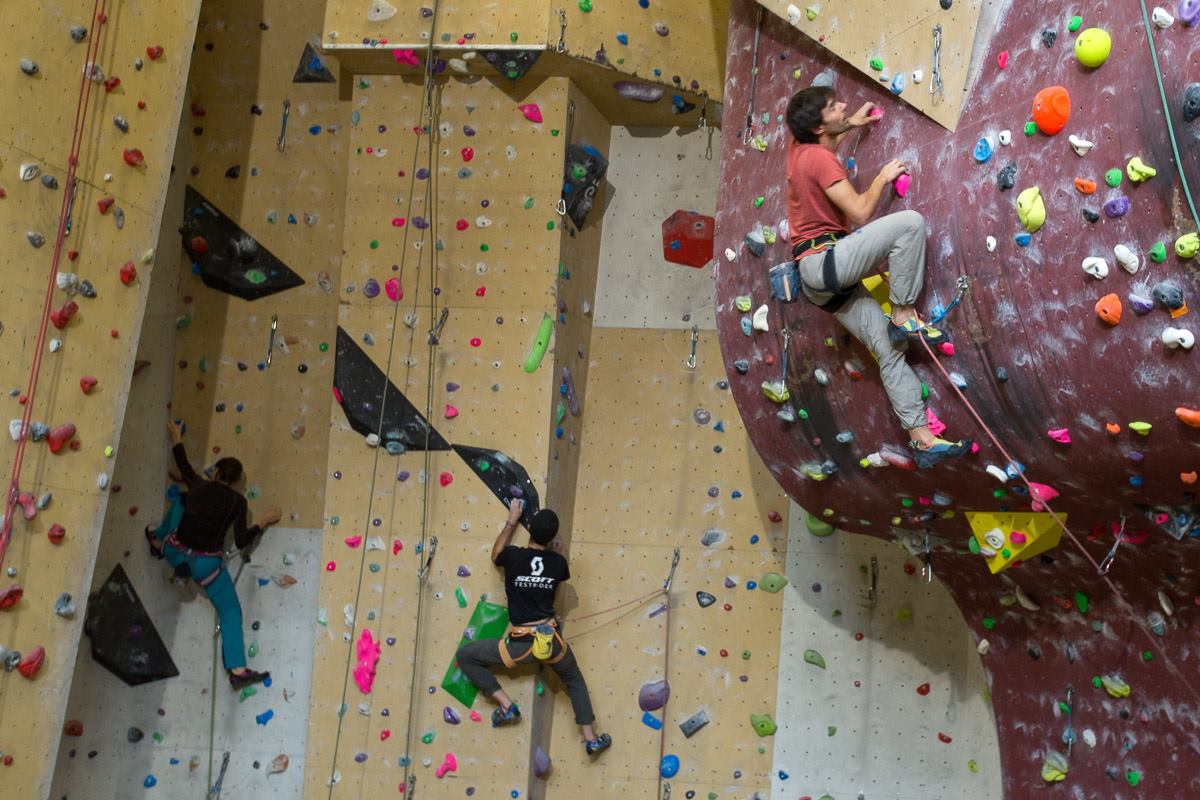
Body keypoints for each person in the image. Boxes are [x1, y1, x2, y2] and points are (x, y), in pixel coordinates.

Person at [784, 85, 973, 469]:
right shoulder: (820, 159)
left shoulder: (798, 150)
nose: (842, 106)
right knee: (909, 224)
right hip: (827, 262)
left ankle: (921, 439)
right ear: (819, 127)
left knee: (888, 350)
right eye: (834, 107)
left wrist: (850, 123)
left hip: (817, 280)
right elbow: (859, 213)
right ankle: (903, 314)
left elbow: (825, 137)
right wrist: (883, 177)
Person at [454, 499, 612, 757]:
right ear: (551, 539)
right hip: (551, 642)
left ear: (530, 530)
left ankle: (507, 706)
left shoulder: (514, 557)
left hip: (519, 646)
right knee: (574, 680)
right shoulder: (558, 564)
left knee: (466, 656)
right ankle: (590, 738)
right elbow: (554, 590)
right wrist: (557, 553)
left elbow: (495, 554)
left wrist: (511, 521)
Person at [145, 420, 281, 690]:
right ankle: (238, 671)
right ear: (234, 482)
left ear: (216, 472)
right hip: (206, 566)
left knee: (182, 500)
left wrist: (175, 434)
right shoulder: (238, 502)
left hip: (176, 550)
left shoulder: (197, 483)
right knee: (230, 610)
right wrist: (263, 520)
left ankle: (157, 543)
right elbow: (242, 541)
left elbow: (182, 461)